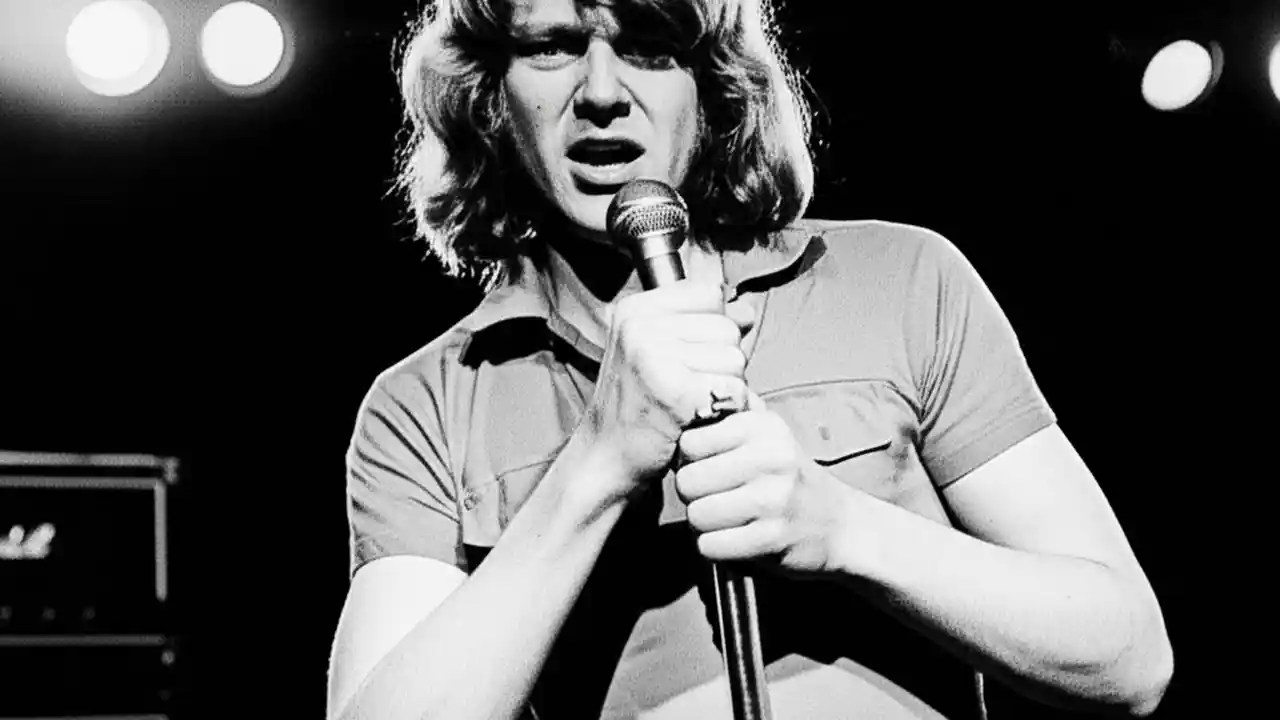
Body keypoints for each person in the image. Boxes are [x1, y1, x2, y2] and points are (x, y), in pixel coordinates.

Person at [325, 0, 1174, 718]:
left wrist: (841, 527)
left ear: (714, 86)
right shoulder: (426, 404)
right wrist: (598, 463)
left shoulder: (905, 281)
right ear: (486, 93)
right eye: (550, 46)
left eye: (650, 45)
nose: (602, 92)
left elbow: (1129, 659)